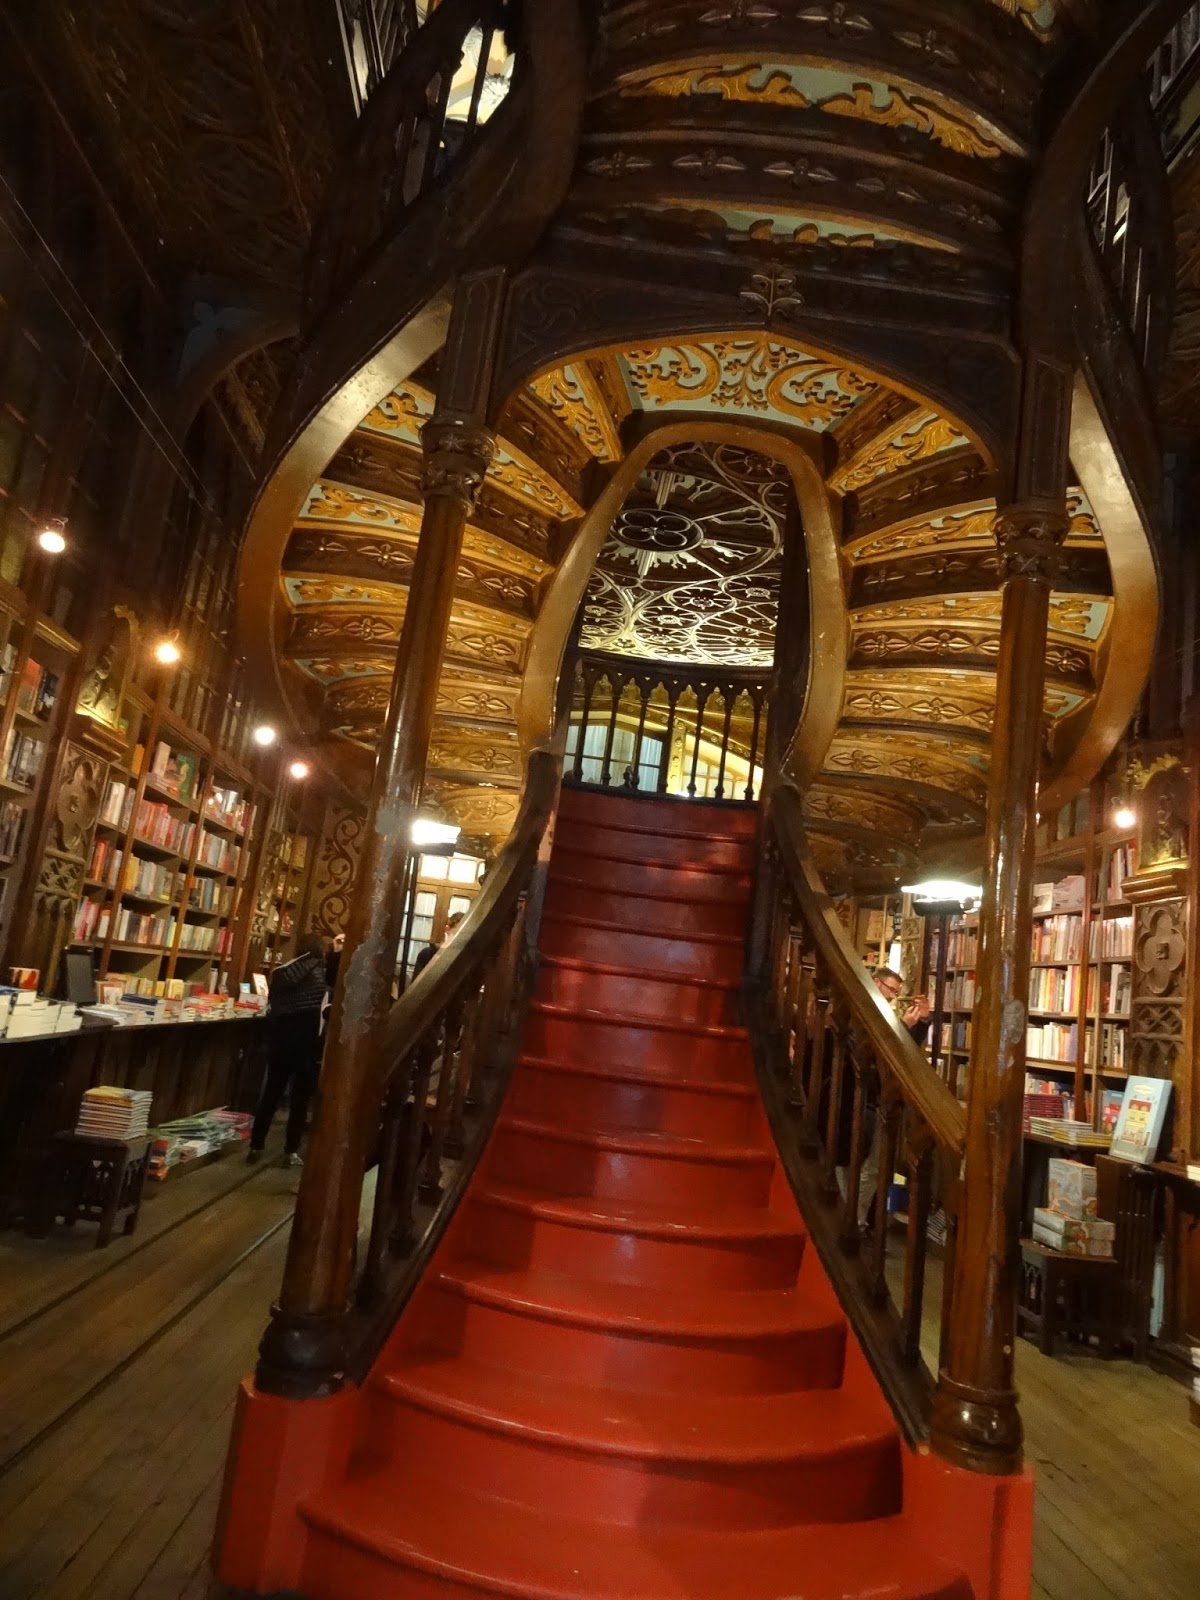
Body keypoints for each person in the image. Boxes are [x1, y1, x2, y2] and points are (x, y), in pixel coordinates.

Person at [838, 967, 931, 1230]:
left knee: (873, 1165)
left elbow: (901, 1051)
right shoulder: (861, 1007)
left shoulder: (883, 1011)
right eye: (891, 990)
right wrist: (903, 1025)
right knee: (851, 1161)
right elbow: (869, 1048)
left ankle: (853, 1218)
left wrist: (921, 1022)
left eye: (897, 992)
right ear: (877, 983)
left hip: (879, 1099)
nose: (893, 997)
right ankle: (851, 1220)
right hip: (855, 1095)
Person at [247, 932, 328, 1167]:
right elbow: (322, 1006)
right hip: (306, 1037)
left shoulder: (283, 972)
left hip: (281, 1037)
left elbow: (273, 1006)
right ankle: (290, 1151)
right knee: (300, 1099)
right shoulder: (319, 970)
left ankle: (256, 1145)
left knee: (271, 1093)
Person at [412, 909, 464, 981]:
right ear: (447, 929)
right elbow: (416, 984)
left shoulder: (466, 958)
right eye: (456, 933)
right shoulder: (427, 954)